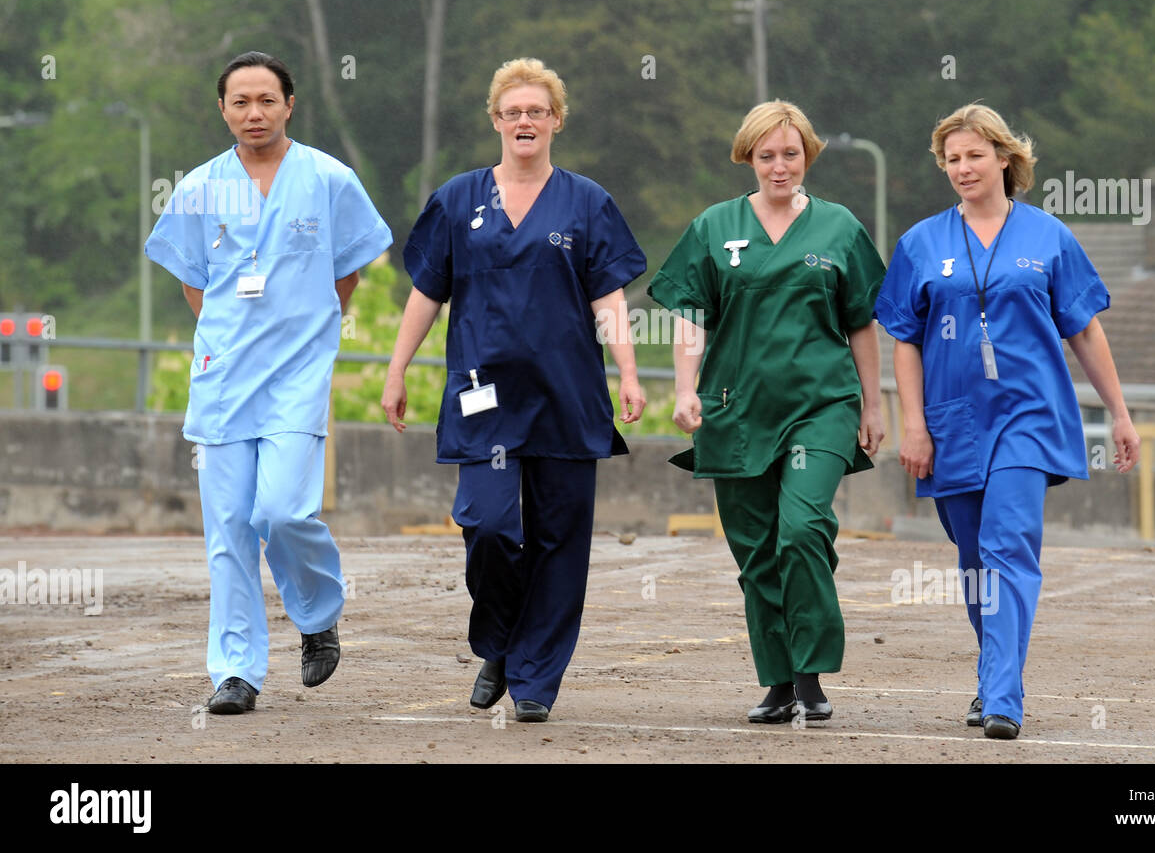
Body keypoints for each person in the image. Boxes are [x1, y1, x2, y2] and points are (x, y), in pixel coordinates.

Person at [383, 57, 646, 723]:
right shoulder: (458, 199)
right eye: (512, 111)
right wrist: (396, 370)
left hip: (566, 394)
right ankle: (497, 642)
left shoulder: (586, 202)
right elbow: (426, 293)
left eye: (537, 111)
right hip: (484, 396)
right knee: (489, 523)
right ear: (496, 120)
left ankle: (534, 680)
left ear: (556, 120)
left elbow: (608, 294)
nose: (524, 121)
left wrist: (629, 370)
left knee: (561, 539)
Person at [874, 103, 1140, 739]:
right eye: (952, 159)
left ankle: (1002, 699)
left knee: (1007, 545)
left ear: (1004, 158)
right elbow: (904, 339)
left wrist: (1120, 414)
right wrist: (913, 423)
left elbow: (1084, 327)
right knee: (973, 558)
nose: (963, 168)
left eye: (974, 155)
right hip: (951, 420)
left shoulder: (1049, 237)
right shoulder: (921, 243)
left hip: (1030, 415)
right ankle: (994, 671)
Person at [145, 51, 393, 715]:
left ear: (290, 104)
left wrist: (306, 329)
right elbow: (194, 281)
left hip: (296, 376)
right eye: (239, 102)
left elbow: (349, 271)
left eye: (266, 100)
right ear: (222, 109)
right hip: (224, 379)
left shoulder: (329, 179)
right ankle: (236, 671)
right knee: (228, 529)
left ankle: (316, 611)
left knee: (281, 511)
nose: (254, 113)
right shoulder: (198, 187)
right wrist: (231, 339)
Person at [648, 100, 886, 724]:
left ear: (808, 155)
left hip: (821, 405)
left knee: (802, 528)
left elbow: (861, 322)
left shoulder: (839, 229)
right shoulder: (713, 227)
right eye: (766, 156)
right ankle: (778, 680)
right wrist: (684, 388)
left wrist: (873, 403)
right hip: (736, 409)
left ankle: (810, 671)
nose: (779, 167)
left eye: (790, 154)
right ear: (747, 158)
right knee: (756, 551)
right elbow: (690, 315)